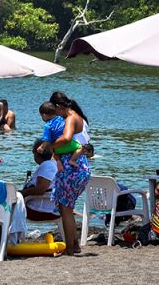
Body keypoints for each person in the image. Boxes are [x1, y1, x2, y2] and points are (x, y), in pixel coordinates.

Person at [49, 91, 91, 255]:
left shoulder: (71, 117)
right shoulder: (78, 116)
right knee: (68, 207)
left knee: (65, 207)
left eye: (56, 110)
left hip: (72, 166)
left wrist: (49, 145)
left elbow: (66, 139)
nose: (56, 114)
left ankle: (70, 247)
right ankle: (74, 244)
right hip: (81, 165)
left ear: (59, 107)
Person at [37, 102, 84, 170]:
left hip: (57, 149)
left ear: (44, 115)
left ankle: (58, 162)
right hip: (70, 145)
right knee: (80, 147)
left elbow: (46, 139)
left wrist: (41, 147)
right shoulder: (62, 119)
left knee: (53, 151)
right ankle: (72, 160)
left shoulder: (47, 125)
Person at [21, 140, 60, 221]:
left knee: (6, 209)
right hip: (50, 207)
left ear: (36, 154)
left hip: (41, 210)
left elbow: (40, 189)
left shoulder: (47, 165)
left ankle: (5, 233)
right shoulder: (53, 163)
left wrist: (20, 193)